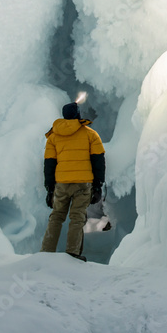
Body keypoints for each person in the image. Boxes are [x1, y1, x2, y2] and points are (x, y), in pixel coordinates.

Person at [40, 101, 105, 261]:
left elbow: (49, 163)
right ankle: (73, 254)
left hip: (61, 184)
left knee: (56, 217)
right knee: (77, 217)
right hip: (83, 184)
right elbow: (98, 161)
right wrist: (98, 185)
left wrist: (50, 188)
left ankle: (46, 252)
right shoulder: (91, 135)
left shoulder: (53, 137)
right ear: (78, 114)